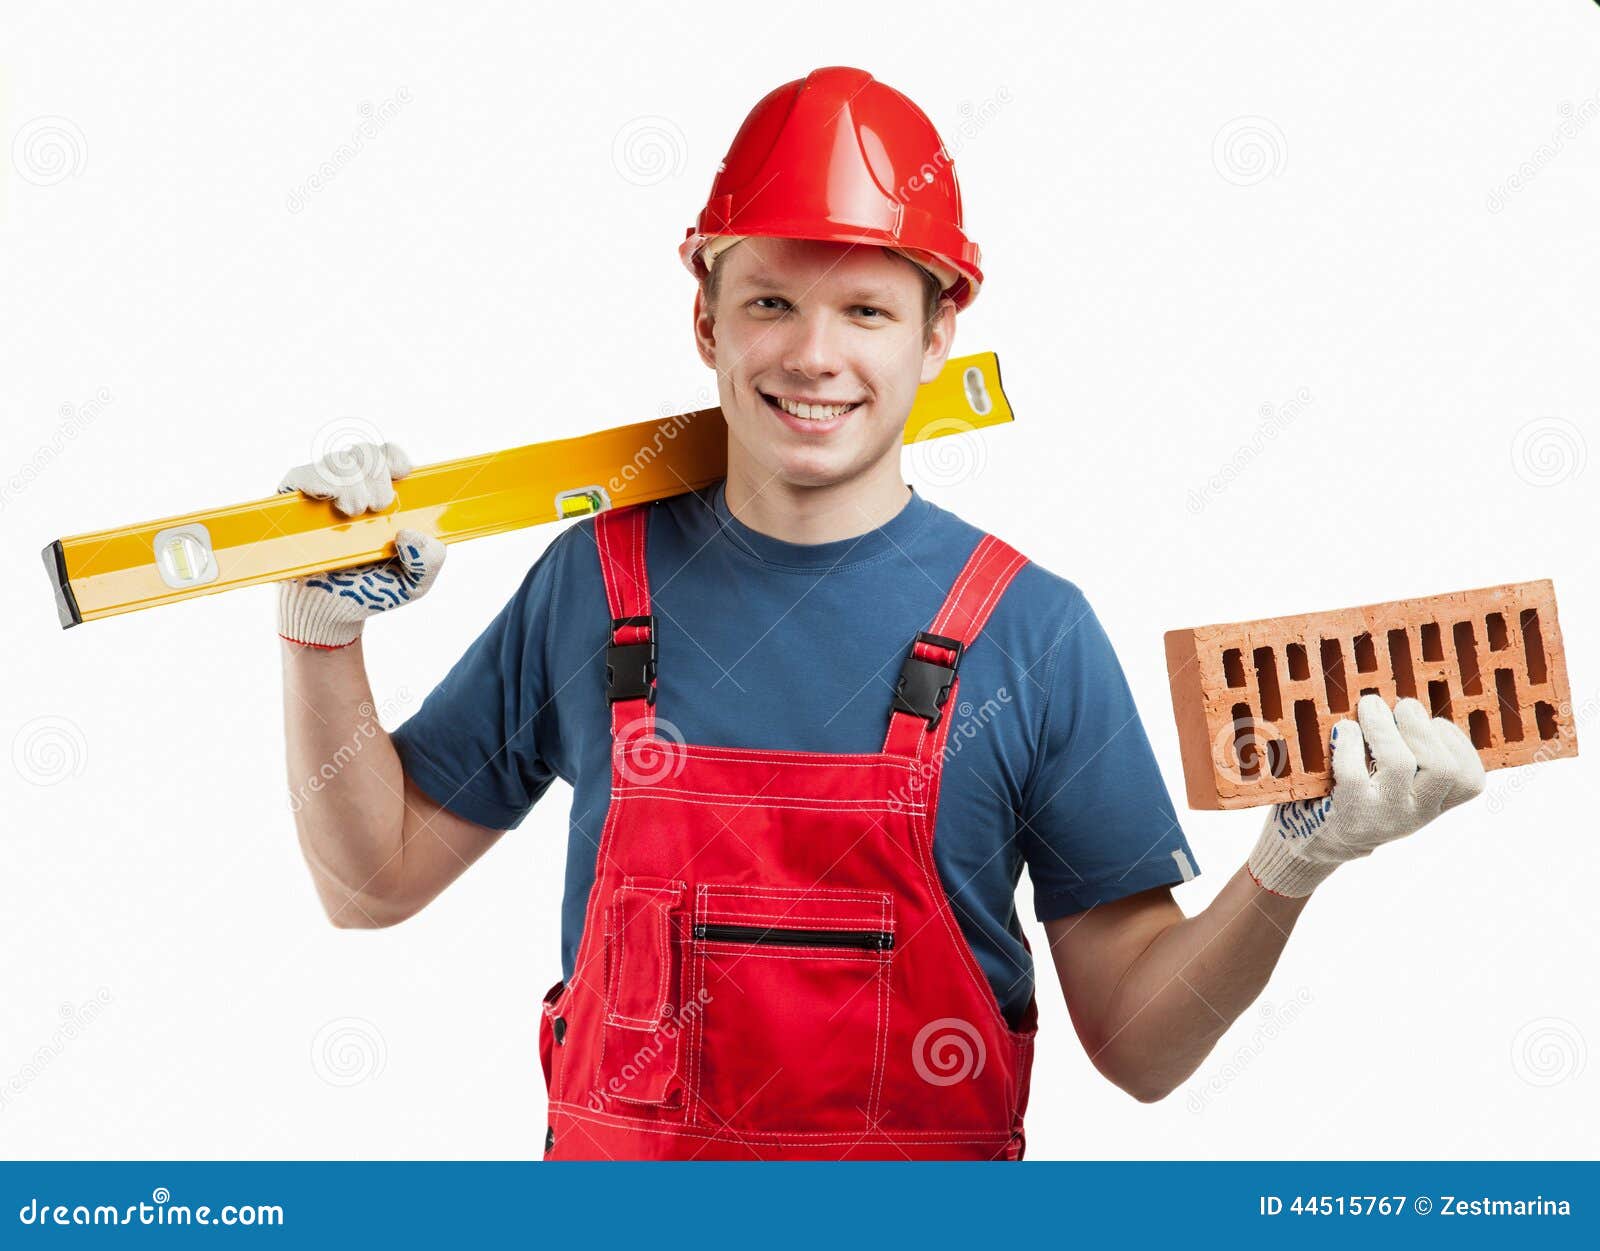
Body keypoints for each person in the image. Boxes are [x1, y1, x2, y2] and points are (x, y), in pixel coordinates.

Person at [277, 67, 1485, 1160]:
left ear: (936, 334)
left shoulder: (1032, 633)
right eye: (769, 304)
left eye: (864, 311)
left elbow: (1139, 1050)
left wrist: (1289, 865)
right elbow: (371, 884)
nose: (813, 355)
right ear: (705, 320)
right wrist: (322, 635)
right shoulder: (591, 585)